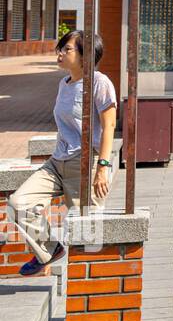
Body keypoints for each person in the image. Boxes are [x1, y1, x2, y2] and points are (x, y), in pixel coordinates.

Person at [9, 31, 118, 277]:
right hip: (57, 161)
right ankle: (49, 249)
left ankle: (88, 295)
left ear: (84, 55)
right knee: (19, 203)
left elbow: (109, 125)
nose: (60, 53)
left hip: (85, 164)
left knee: (86, 236)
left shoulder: (99, 83)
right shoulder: (64, 83)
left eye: (66, 49)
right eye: (61, 48)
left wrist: (102, 167)